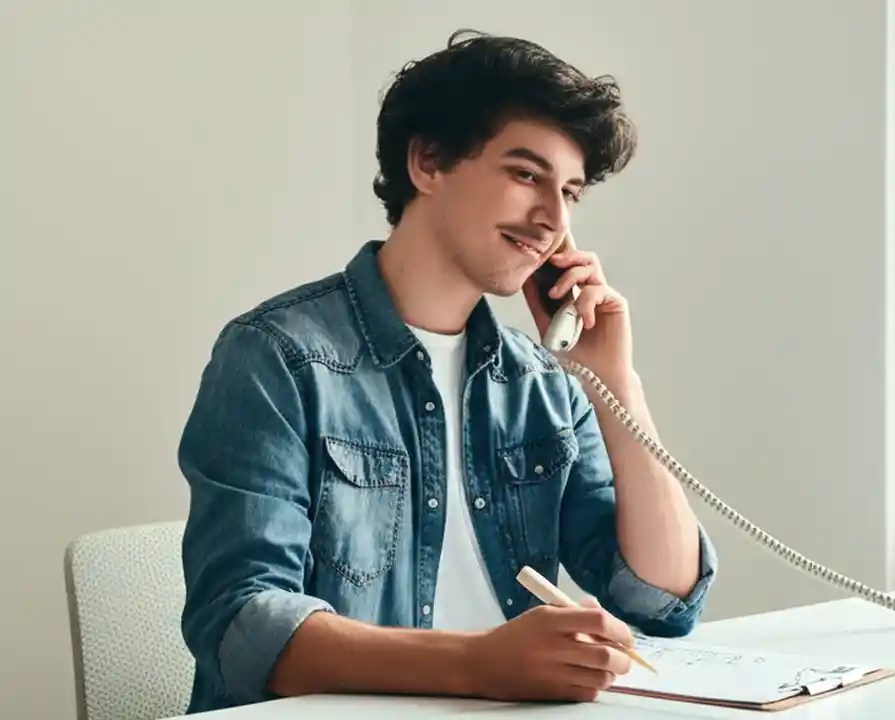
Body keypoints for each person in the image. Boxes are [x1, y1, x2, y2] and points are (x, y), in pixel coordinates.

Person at [177, 29, 717, 713]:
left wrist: (617, 385)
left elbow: (662, 599)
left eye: (571, 194)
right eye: (526, 176)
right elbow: (241, 626)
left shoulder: (540, 383)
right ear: (428, 162)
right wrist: (478, 663)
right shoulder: (277, 357)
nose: (552, 220)